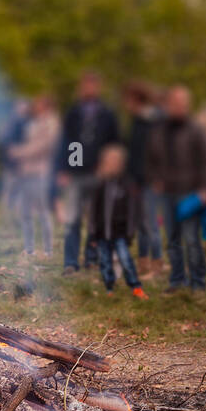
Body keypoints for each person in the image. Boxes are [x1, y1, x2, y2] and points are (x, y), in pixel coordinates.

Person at [146, 85, 206, 292]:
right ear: (168, 105)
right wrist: (155, 179)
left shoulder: (196, 130)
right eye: (175, 103)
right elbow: (151, 159)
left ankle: (198, 282)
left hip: (190, 191)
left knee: (192, 239)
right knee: (173, 239)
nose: (179, 107)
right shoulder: (158, 131)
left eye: (183, 104)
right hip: (166, 192)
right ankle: (176, 280)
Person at [58, 72, 120, 273]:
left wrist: (109, 167)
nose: (89, 89)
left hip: (98, 173)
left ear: (98, 87)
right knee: (72, 219)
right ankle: (70, 261)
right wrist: (64, 168)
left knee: (95, 219)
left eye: (93, 85)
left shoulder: (107, 114)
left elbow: (114, 143)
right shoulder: (73, 113)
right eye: (85, 85)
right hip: (76, 174)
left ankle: (91, 258)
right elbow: (66, 141)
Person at [85, 145, 144, 298]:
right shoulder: (99, 184)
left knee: (125, 259)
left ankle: (136, 286)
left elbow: (132, 210)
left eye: (116, 162)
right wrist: (92, 233)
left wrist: (130, 232)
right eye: (109, 162)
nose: (112, 165)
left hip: (121, 233)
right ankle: (109, 287)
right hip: (101, 233)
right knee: (105, 261)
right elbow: (92, 210)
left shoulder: (127, 184)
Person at [7, 93, 59, 258]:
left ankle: (48, 250)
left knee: (43, 211)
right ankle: (29, 249)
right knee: (25, 212)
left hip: (41, 172)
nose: (35, 106)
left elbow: (44, 146)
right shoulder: (34, 122)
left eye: (39, 103)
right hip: (27, 172)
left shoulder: (51, 122)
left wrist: (20, 152)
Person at [123, 81, 163, 277]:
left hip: (150, 180)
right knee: (141, 224)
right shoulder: (136, 121)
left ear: (136, 99)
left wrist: (157, 178)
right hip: (135, 180)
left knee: (151, 224)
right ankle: (143, 263)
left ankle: (157, 264)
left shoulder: (153, 121)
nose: (125, 103)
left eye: (128, 99)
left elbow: (158, 152)